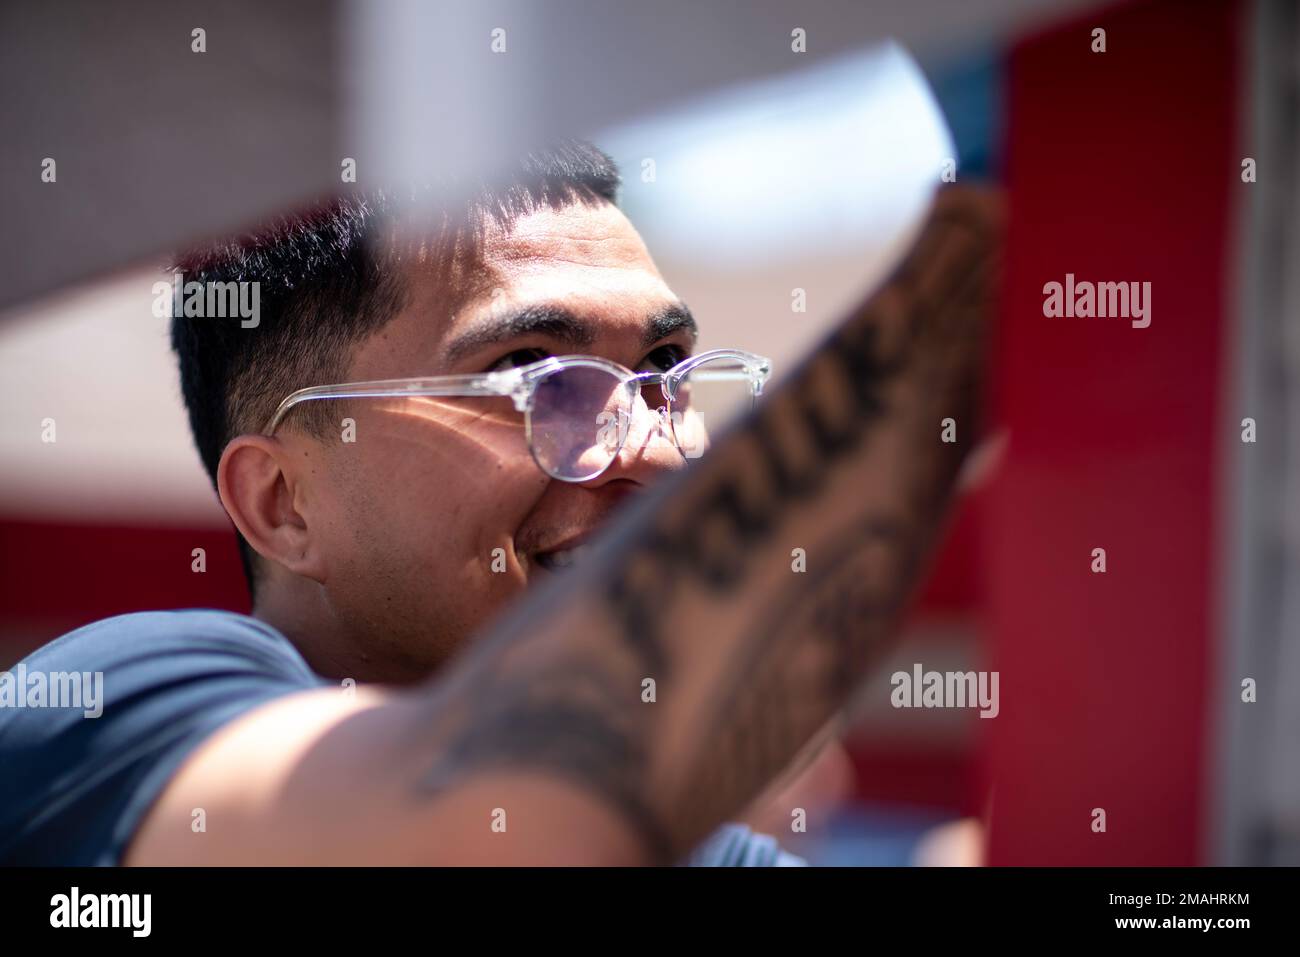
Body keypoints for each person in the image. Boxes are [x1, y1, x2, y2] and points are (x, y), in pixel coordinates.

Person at [0, 141, 996, 865]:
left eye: (664, 371)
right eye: (532, 376)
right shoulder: (116, 706)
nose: (651, 451)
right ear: (282, 502)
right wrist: (981, 245)